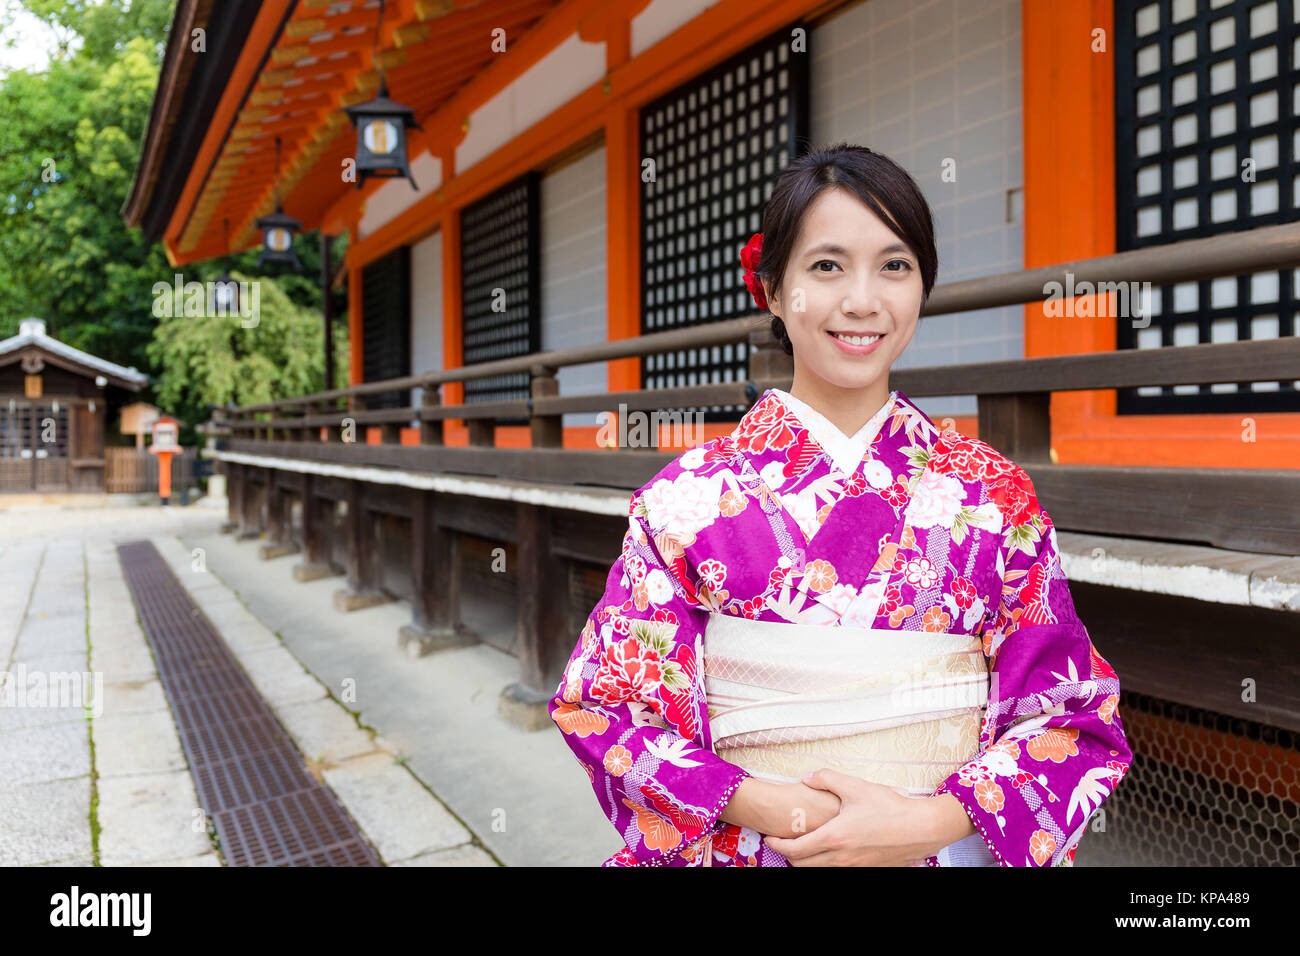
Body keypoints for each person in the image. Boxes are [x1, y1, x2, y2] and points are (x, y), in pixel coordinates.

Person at [548, 142, 1132, 867]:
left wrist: (932, 822)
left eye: (895, 266)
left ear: (923, 286)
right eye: (826, 266)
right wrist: (767, 804)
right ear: (770, 288)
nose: (863, 300)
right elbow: (605, 710)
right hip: (755, 846)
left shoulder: (992, 493)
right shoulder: (687, 500)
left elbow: (1072, 716)